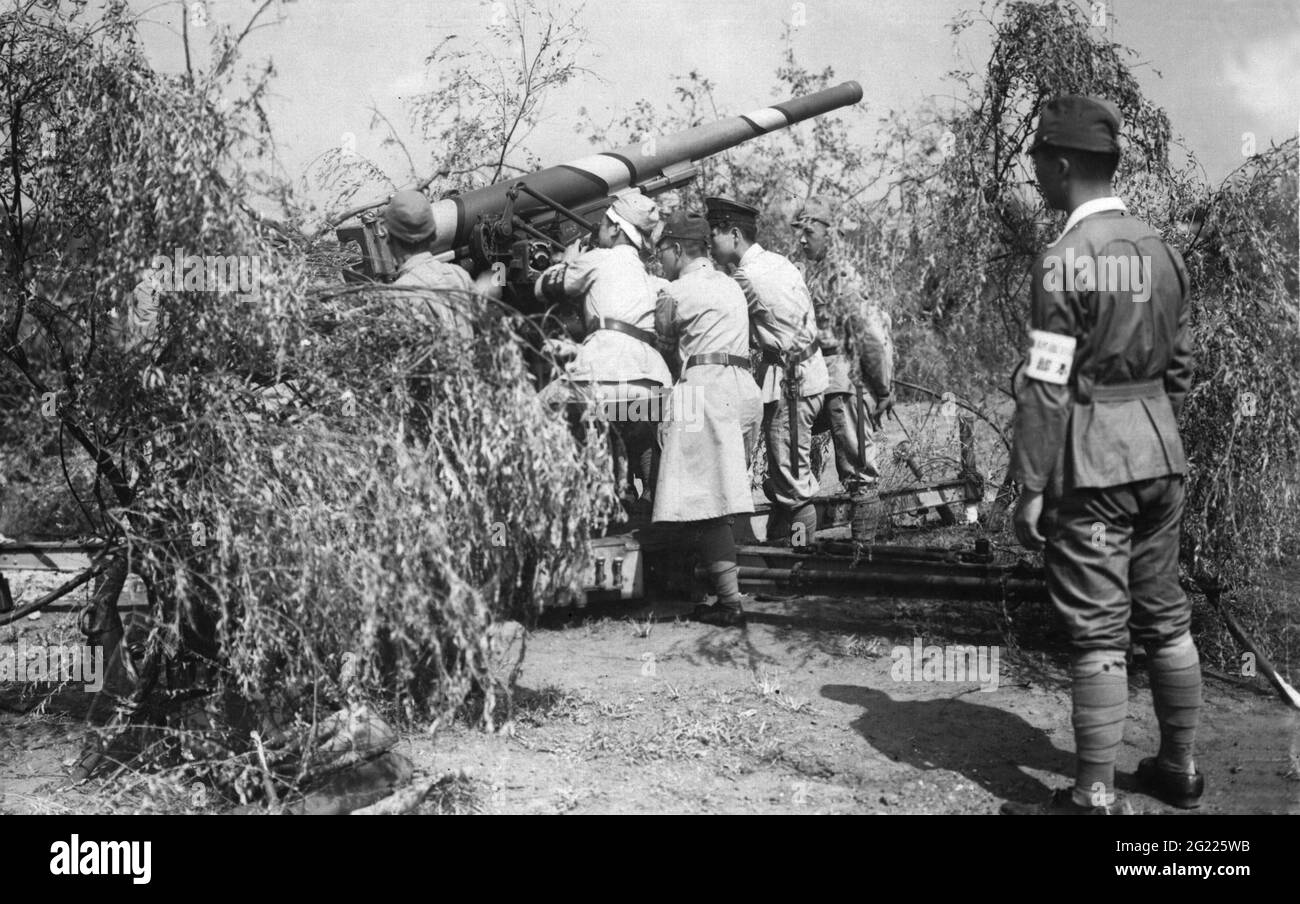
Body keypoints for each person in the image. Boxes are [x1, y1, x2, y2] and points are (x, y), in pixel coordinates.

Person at [1001, 96, 1200, 815]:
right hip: (1160, 451)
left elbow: (1048, 387)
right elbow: (1178, 368)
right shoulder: (1162, 251)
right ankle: (1178, 768)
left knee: (1097, 627)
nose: (1035, 178)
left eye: (1037, 165)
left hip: (1094, 463)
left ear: (1060, 165)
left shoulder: (1062, 262)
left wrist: (1029, 487)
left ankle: (1091, 794)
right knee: (1166, 614)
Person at [652, 209, 763, 626]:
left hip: (703, 388)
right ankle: (719, 592)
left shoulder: (675, 292)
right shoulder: (733, 285)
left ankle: (730, 602)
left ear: (678, 249)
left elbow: (663, 343)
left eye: (662, 250)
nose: (659, 259)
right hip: (742, 387)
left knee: (708, 501)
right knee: (722, 496)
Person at [534, 191, 673, 512]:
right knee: (623, 419)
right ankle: (638, 494)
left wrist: (567, 259)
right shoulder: (649, 277)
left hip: (607, 374)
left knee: (541, 409)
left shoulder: (596, 259)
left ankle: (577, 502)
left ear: (614, 229)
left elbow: (543, 287)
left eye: (603, 224)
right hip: (652, 383)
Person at [706, 196, 826, 546]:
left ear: (733, 235)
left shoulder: (747, 277)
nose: (711, 245)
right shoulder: (778, 262)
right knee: (785, 478)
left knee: (793, 485)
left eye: (714, 235)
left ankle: (800, 563)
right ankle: (782, 554)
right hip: (808, 373)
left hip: (790, 382)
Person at [794, 196, 894, 541]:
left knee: (859, 473)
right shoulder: (815, 273)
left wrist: (883, 388)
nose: (802, 239)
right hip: (823, 379)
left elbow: (870, 336)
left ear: (830, 234)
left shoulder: (841, 275)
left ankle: (865, 556)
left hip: (846, 381)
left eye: (809, 231)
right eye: (800, 232)